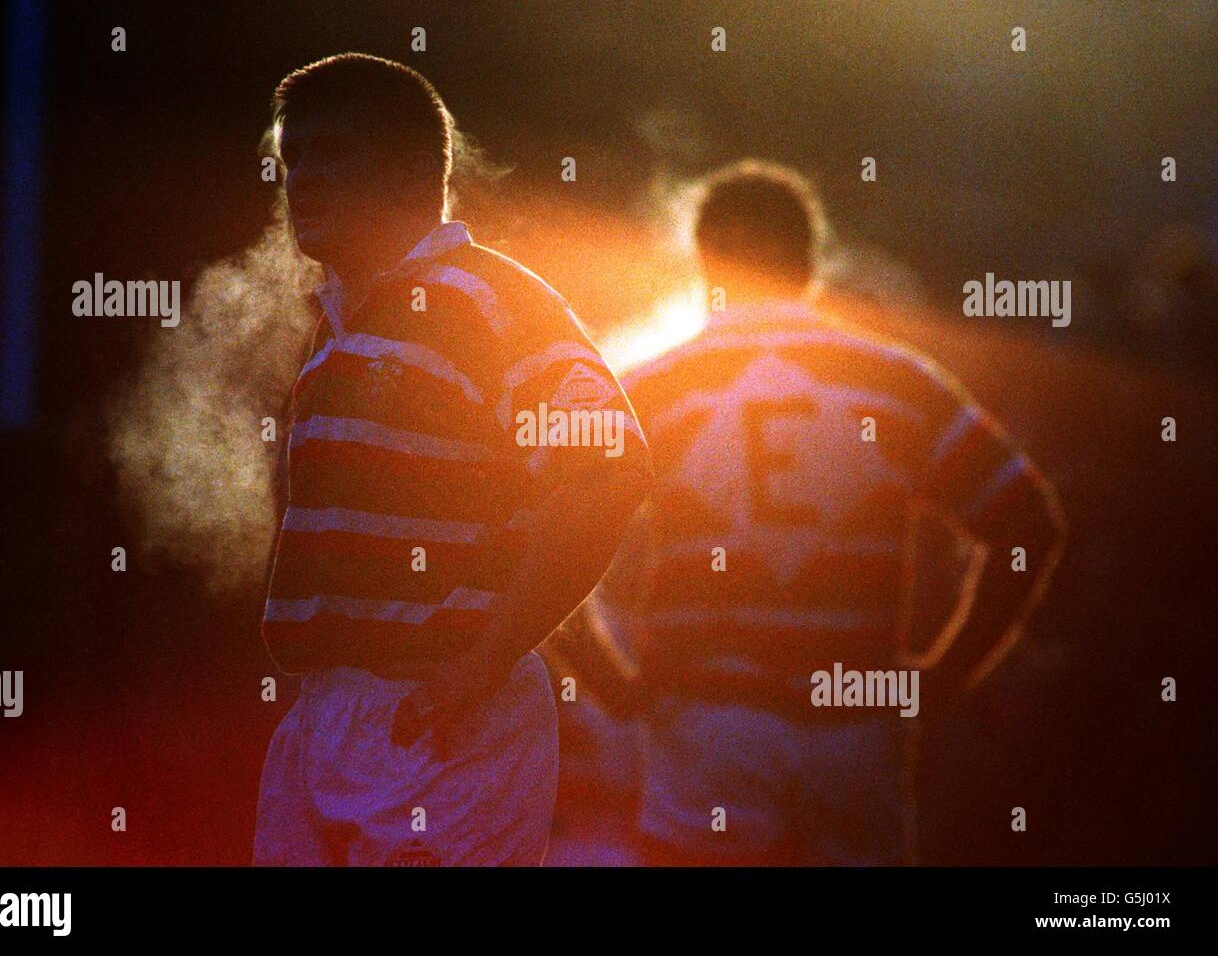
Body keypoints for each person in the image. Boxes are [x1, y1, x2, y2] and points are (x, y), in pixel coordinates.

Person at [560, 159, 1065, 865]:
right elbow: (1028, 524)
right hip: (853, 734)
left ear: (705, 261)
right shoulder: (898, 384)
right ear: (812, 261)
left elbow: (542, 524)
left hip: (706, 728)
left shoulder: (656, 389)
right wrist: (935, 680)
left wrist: (607, 676)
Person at [252, 53, 649, 866]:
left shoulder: (488, 298)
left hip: (445, 721)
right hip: (326, 714)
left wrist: (481, 663)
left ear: (407, 173)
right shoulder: (335, 330)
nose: (300, 181)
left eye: (329, 155)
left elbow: (608, 466)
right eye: (291, 161)